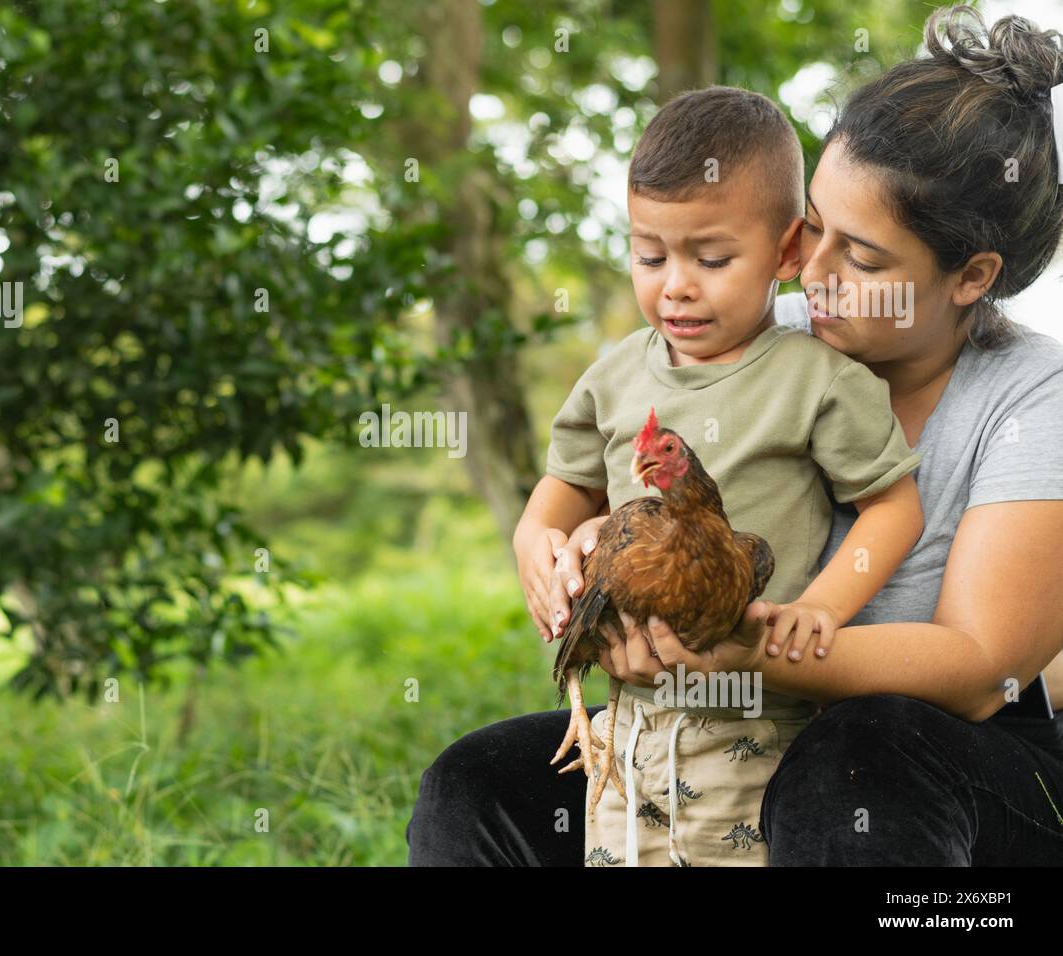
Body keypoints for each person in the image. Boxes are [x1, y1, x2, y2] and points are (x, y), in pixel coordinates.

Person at [406, 4, 1063, 866]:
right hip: (728, 730)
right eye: (812, 227)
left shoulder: (1032, 397)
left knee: (859, 758)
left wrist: (735, 654)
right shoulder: (752, 336)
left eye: (862, 260)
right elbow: (597, 483)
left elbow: (982, 671)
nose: (812, 270)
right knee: (478, 784)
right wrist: (556, 546)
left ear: (971, 277)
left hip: (947, 767)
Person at [519, 83, 923, 868]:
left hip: (757, 717)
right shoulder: (611, 376)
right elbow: (563, 488)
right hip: (627, 717)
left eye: (711, 258)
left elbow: (892, 504)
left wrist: (818, 609)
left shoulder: (819, 379)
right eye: (649, 255)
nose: (676, 285)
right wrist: (534, 541)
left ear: (785, 252)